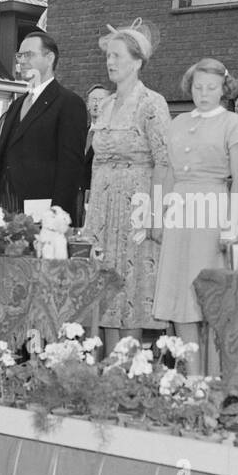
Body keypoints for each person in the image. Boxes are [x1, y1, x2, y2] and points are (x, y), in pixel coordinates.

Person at [153, 59, 238, 373]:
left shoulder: (232, 123)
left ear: (224, 88)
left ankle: (215, 375)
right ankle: (192, 376)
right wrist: (158, 215)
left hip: (211, 208)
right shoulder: (178, 122)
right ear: (189, 87)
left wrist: (231, 225)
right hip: (179, 209)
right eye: (198, 87)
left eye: (211, 87)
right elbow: (167, 172)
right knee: (179, 294)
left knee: (206, 294)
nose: (204, 93)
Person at [85, 21, 172, 351]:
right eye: (108, 56)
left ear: (137, 61)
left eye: (117, 56)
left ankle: (132, 369)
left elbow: (165, 161)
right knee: (104, 286)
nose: (110, 62)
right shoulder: (104, 105)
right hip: (104, 211)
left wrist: (154, 212)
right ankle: (109, 366)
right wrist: (92, 215)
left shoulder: (152, 103)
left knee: (132, 288)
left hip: (136, 206)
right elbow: (96, 160)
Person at [0, 31, 86, 220]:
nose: (22, 61)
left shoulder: (68, 103)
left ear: (49, 58)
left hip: (43, 207)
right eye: (19, 56)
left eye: (29, 55)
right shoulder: (17, 104)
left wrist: (57, 215)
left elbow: (70, 166)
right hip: (5, 202)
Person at [79, 85, 112, 227]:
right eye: (93, 99)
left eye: (101, 99)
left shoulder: (112, 135)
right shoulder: (79, 133)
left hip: (100, 197)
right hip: (78, 198)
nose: (96, 103)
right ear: (87, 104)